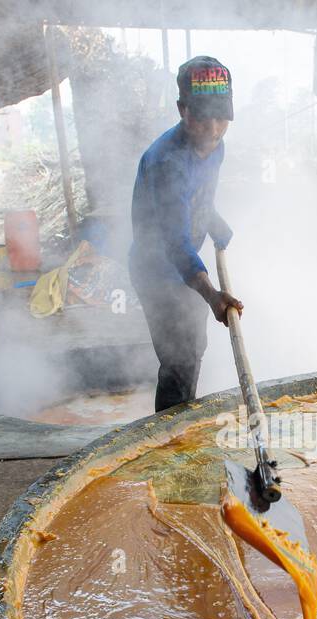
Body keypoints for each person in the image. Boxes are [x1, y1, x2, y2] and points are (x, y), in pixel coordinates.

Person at [129, 55, 244, 412]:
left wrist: (213, 221)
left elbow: (200, 198)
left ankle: (181, 420)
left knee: (194, 349)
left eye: (222, 116)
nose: (213, 128)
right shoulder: (167, 162)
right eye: (203, 116)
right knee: (179, 362)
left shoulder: (216, 146)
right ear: (182, 110)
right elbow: (176, 243)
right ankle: (167, 446)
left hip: (188, 270)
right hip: (159, 273)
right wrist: (212, 295)